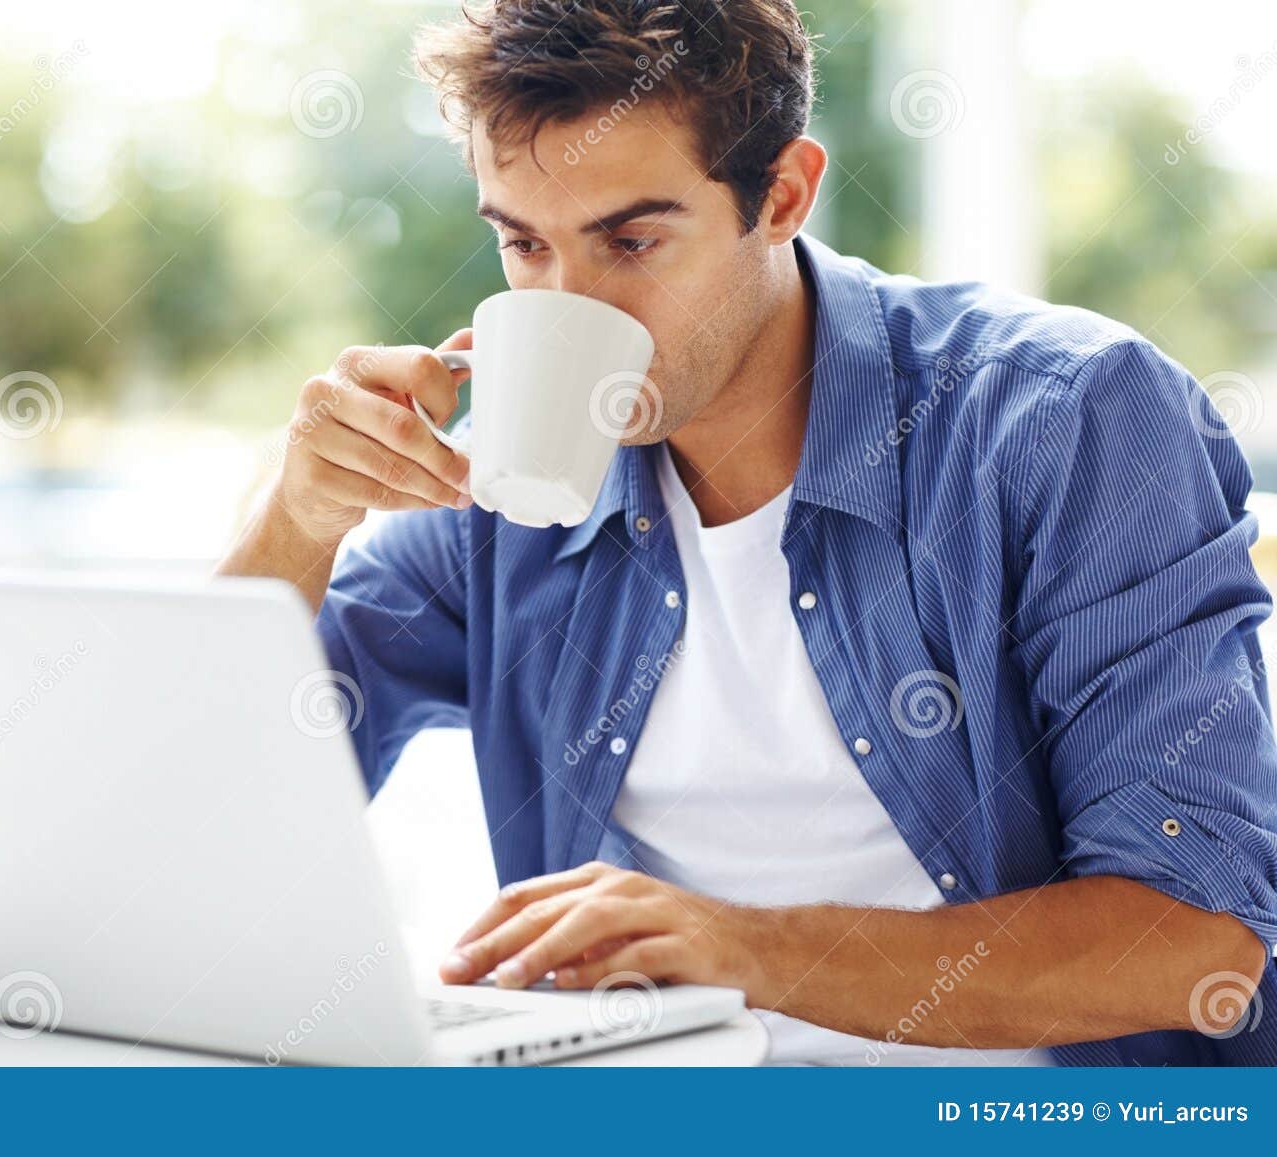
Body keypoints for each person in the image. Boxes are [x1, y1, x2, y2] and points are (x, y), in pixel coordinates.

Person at [221, 0, 1276, 1065]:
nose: (569, 300)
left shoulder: (1067, 420)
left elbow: (1193, 940)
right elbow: (204, 803)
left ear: (781, 194)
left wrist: (753, 949)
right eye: (523, 244)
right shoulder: (511, 490)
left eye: (630, 240)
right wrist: (296, 520)